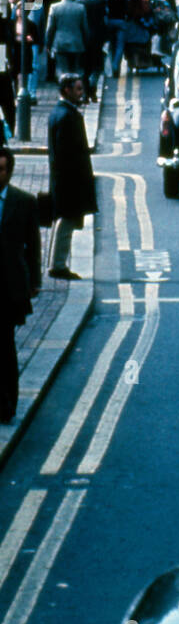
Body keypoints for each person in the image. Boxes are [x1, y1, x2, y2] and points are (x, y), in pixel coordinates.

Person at [0, 145, 42, 422]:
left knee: (4, 348)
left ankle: (6, 406)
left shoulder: (23, 201)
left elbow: (33, 246)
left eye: (1, 169)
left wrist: (34, 282)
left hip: (8, 288)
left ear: (10, 171)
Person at [47, 74, 97, 280]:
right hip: (69, 181)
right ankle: (58, 265)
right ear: (66, 90)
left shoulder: (61, 113)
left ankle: (58, 263)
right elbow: (67, 154)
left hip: (65, 180)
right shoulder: (67, 117)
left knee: (64, 221)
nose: (81, 93)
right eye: (77, 89)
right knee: (65, 223)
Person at [44, 0, 89, 78]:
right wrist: (86, 42)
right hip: (77, 43)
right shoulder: (80, 7)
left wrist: (48, 44)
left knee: (62, 70)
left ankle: (64, 89)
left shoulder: (54, 7)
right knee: (75, 71)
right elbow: (85, 28)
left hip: (60, 43)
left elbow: (50, 28)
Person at [81, 0, 107, 103]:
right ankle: (93, 89)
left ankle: (86, 94)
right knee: (97, 67)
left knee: (85, 68)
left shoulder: (80, 2)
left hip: (84, 39)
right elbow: (105, 20)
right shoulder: (101, 2)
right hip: (98, 39)